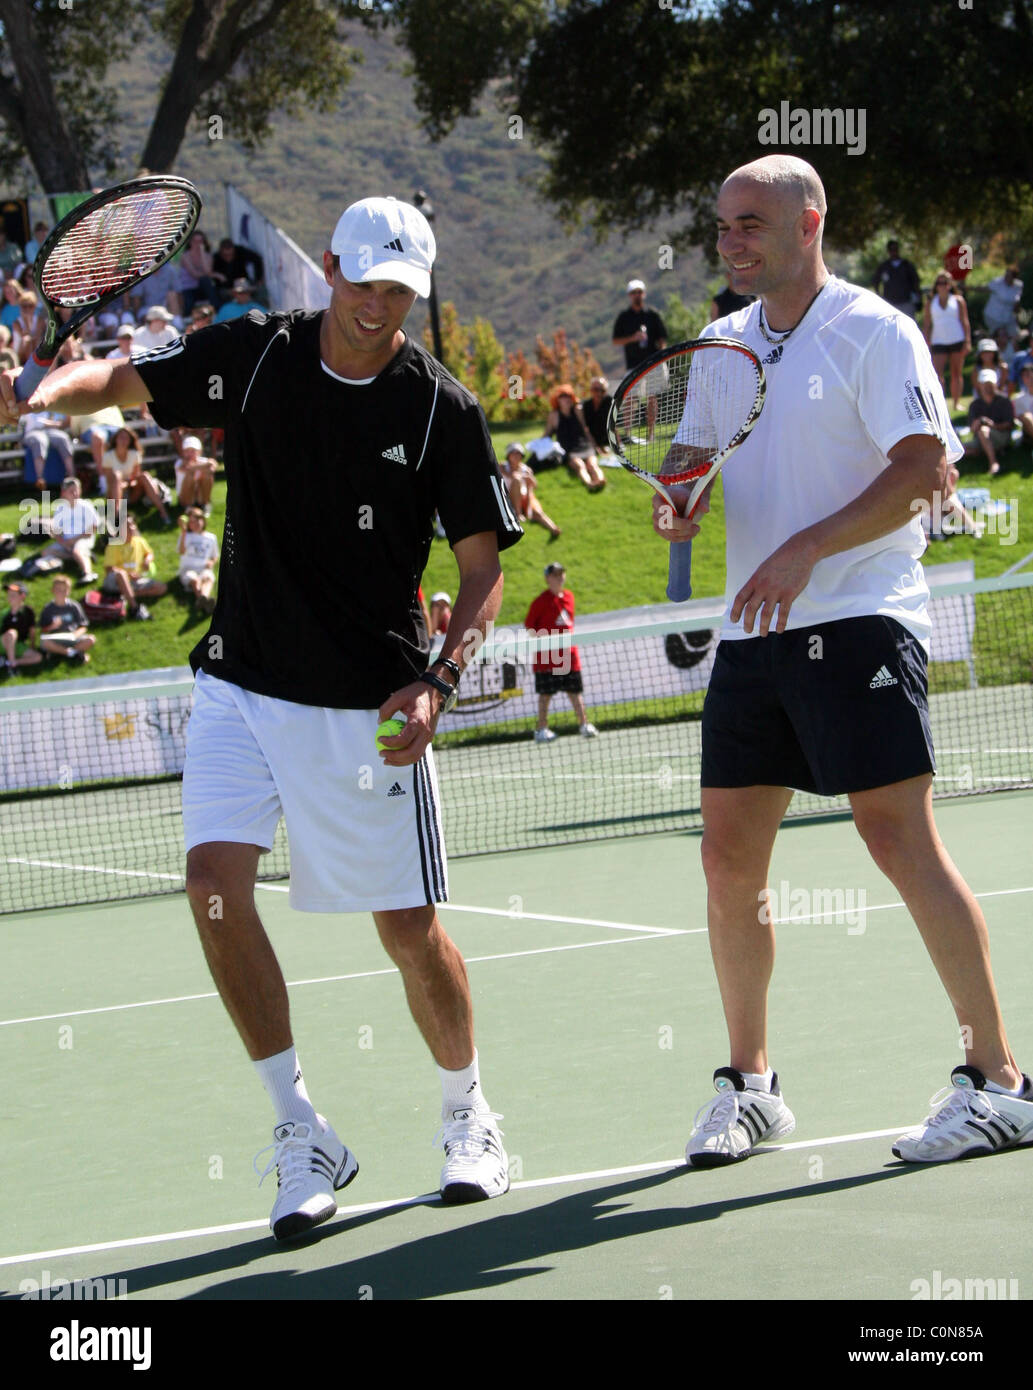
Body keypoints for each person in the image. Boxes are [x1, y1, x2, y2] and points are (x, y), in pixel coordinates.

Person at [0, 193, 524, 1240]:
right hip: (239, 680)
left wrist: (439, 679)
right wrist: (47, 389)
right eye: (365, 281)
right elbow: (121, 379)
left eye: (399, 292)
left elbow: (480, 573)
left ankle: (469, 1115)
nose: (379, 306)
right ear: (328, 267)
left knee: (408, 934)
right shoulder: (254, 353)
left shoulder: (441, 412)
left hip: (365, 703)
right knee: (212, 888)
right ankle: (300, 1129)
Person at [653, 153, 1031, 1170]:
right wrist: (676, 501)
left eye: (749, 223)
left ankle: (999, 1081)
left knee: (895, 837)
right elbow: (689, 471)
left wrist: (807, 548)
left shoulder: (873, 329)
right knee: (726, 858)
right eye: (722, 226)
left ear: (808, 221)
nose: (730, 240)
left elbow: (925, 475)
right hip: (751, 636)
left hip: (861, 617)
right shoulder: (722, 344)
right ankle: (751, 1086)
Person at [524, 563, 597, 742]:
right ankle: (541, 730)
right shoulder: (540, 602)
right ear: (547, 578)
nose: (559, 577)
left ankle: (584, 725)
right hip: (547, 659)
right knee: (545, 695)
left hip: (569, 657)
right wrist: (546, 644)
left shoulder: (570, 597)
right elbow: (530, 626)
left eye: (561, 573)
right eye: (555, 574)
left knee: (575, 692)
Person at [612, 279, 667, 439]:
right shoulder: (624, 317)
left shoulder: (652, 315)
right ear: (629, 295)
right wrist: (633, 338)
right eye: (634, 293)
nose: (637, 295)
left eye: (639, 292)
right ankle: (628, 434)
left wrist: (662, 356)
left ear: (644, 294)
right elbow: (616, 340)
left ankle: (651, 434)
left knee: (652, 397)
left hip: (653, 363)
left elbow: (662, 338)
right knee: (630, 397)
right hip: (634, 364)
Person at [101, 424, 173, 525]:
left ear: (130, 440)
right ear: (115, 439)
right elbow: (110, 481)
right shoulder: (108, 456)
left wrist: (126, 484)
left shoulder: (134, 454)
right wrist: (121, 484)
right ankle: (117, 516)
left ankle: (163, 512)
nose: (123, 440)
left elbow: (135, 476)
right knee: (117, 476)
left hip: (131, 490)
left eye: (126, 438)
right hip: (114, 492)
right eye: (121, 437)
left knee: (144, 476)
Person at [102, 514, 167, 620]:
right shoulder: (113, 545)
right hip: (115, 581)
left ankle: (126, 595)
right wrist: (127, 574)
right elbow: (109, 568)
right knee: (121, 574)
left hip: (135, 580)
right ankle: (134, 608)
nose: (132, 527)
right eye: (128, 525)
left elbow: (149, 553)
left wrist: (147, 560)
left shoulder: (139, 541)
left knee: (162, 587)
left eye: (132, 524)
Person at [40, 476, 103, 582]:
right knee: (45, 553)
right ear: (64, 493)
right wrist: (64, 543)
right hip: (67, 542)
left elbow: (92, 528)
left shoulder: (86, 506)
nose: (74, 494)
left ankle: (88, 573)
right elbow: (56, 532)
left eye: (76, 490)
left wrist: (73, 541)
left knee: (77, 550)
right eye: (71, 491)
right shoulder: (60, 509)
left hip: (83, 539)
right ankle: (79, 556)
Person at [922, 273, 971, 411]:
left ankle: (956, 403)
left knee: (956, 373)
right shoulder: (931, 302)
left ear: (950, 285)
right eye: (939, 283)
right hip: (938, 341)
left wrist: (967, 340)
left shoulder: (958, 300)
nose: (942, 286)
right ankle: (939, 404)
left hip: (957, 339)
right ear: (936, 286)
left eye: (945, 283)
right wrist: (926, 341)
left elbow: (964, 321)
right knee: (938, 375)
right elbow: (927, 324)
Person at [545, 384, 606, 490]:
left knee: (592, 465)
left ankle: (600, 480)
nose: (566, 399)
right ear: (557, 400)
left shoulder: (577, 410)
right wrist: (538, 447)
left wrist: (595, 446)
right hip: (569, 449)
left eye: (568, 396)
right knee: (580, 466)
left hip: (584, 445)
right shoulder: (554, 415)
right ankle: (589, 484)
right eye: (563, 396)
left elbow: (585, 429)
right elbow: (547, 434)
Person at [501, 442, 561, 538]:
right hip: (510, 498)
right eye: (514, 453)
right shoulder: (502, 467)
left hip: (525, 497)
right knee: (516, 480)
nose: (516, 456)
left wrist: (530, 479)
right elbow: (510, 476)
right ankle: (518, 513)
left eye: (519, 453)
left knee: (538, 513)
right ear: (508, 455)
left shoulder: (526, 469)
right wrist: (517, 477)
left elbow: (534, 485)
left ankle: (553, 528)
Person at [965, 368, 1014, 475]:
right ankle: (986, 451)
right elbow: (972, 429)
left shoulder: (1004, 401)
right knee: (957, 450)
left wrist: (993, 425)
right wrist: (978, 422)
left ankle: (993, 462)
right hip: (981, 438)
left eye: (989, 383)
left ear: (995, 384)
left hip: (1001, 436)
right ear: (979, 385)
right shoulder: (975, 405)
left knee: (983, 430)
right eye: (984, 384)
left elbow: (1009, 425)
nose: (987, 387)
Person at [37, 575, 95, 664]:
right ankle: (74, 653)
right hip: (56, 638)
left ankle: (63, 652)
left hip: (72, 637)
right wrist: (52, 627)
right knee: (44, 643)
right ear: (53, 590)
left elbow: (83, 626)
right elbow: (43, 630)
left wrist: (76, 634)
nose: (61, 592)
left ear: (69, 591)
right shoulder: (48, 608)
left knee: (91, 639)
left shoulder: (74, 606)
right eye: (58, 589)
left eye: (64, 590)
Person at [177, 506, 219, 614]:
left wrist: (212, 562)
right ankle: (206, 603)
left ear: (203, 521)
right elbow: (181, 551)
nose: (196, 524)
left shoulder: (211, 538)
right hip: (188, 569)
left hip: (204, 567)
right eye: (192, 522)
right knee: (195, 580)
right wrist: (183, 532)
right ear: (188, 524)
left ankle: (202, 599)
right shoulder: (186, 536)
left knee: (208, 578)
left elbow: (215, 556)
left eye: (198, 520)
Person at [0, 580, 43, 674]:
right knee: (12, 633)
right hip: (3, 643)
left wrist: (32, 645)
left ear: (22, 596)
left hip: (18, 645)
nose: (9, 598)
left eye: (13, 595)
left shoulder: (28, 611)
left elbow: (32, 630)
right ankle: (12, 666)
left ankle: (9, 662)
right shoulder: (4, 613)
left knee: (37, 657)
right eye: (9, 595)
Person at [872, 238, 920, 317]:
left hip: (906, 302)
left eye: (895, 249)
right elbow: (875, 282)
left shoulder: (906, 265)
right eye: (891, 249)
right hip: (890, 304)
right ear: (888, 251)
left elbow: (916, 281)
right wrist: (879, 297)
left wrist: (918, 297)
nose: (894, 251)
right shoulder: (884, 266)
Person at [175, 434, 218, 511]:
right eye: (187, 451)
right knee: (190, 476)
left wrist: (198, 466)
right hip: (184, 497)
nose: (190, 453)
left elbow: (212, 468)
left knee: (208, 475)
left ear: (199, 451)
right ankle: (188, 506)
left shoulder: (202, 461)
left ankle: (204, 503)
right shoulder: (179, 462)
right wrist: (206, 465)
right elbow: (187, 468)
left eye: (193, 451)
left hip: (198, 495)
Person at [982, 266, 1023, 341]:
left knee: (1016, 337)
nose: (1006, 277)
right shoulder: (997, 282)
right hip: (993, 316)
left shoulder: (1018, 285)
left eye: (1009, 276)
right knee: (997, 337)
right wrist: (968, 288)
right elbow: (984, 289)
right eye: (1006, 275)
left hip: (1008, 318)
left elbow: (1016, 302)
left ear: (1014, 277)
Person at [580, 377, 612, 455]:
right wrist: (594, 445)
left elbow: (614, 425)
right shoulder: (586, 405)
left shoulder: (610, 402)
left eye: (602, 390)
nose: (598, 393)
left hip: (606, 438)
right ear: (591, 390)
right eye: (595, 389)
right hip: (589, 438)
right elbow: (585, 427)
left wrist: (618, 443)